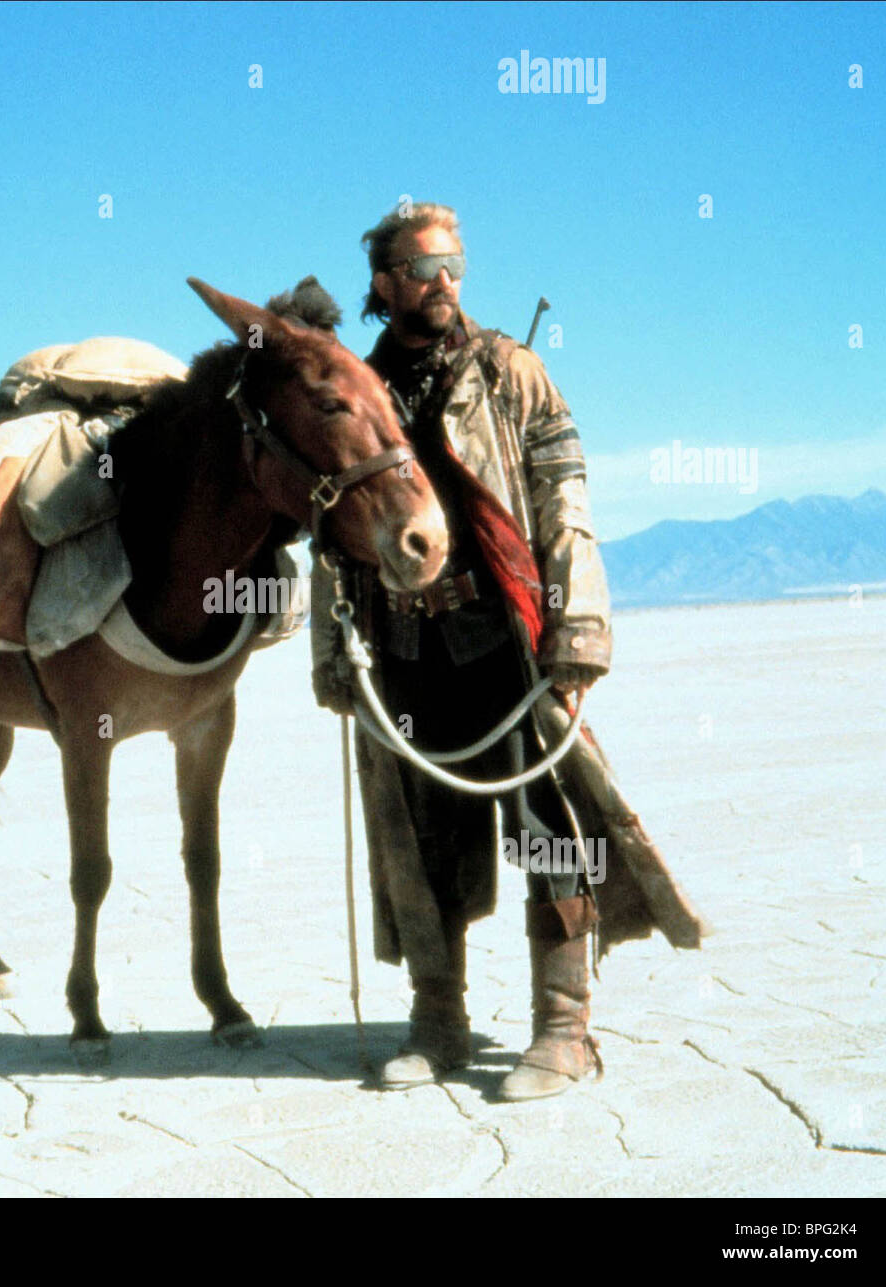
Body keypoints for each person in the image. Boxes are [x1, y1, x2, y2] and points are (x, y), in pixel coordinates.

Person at [310, 202, 613, 1100]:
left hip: (508, 640)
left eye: (455, 265)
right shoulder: (354, 390)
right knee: (419, 838)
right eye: (422, 266)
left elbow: (565, 504)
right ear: (383, 282)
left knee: (552, 826)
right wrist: (335, 651)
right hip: (403, 645)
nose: (443, 282)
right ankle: (438, 1019)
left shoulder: (511, 373)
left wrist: (579, 634)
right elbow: (330, 535)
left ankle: (564, 1029)